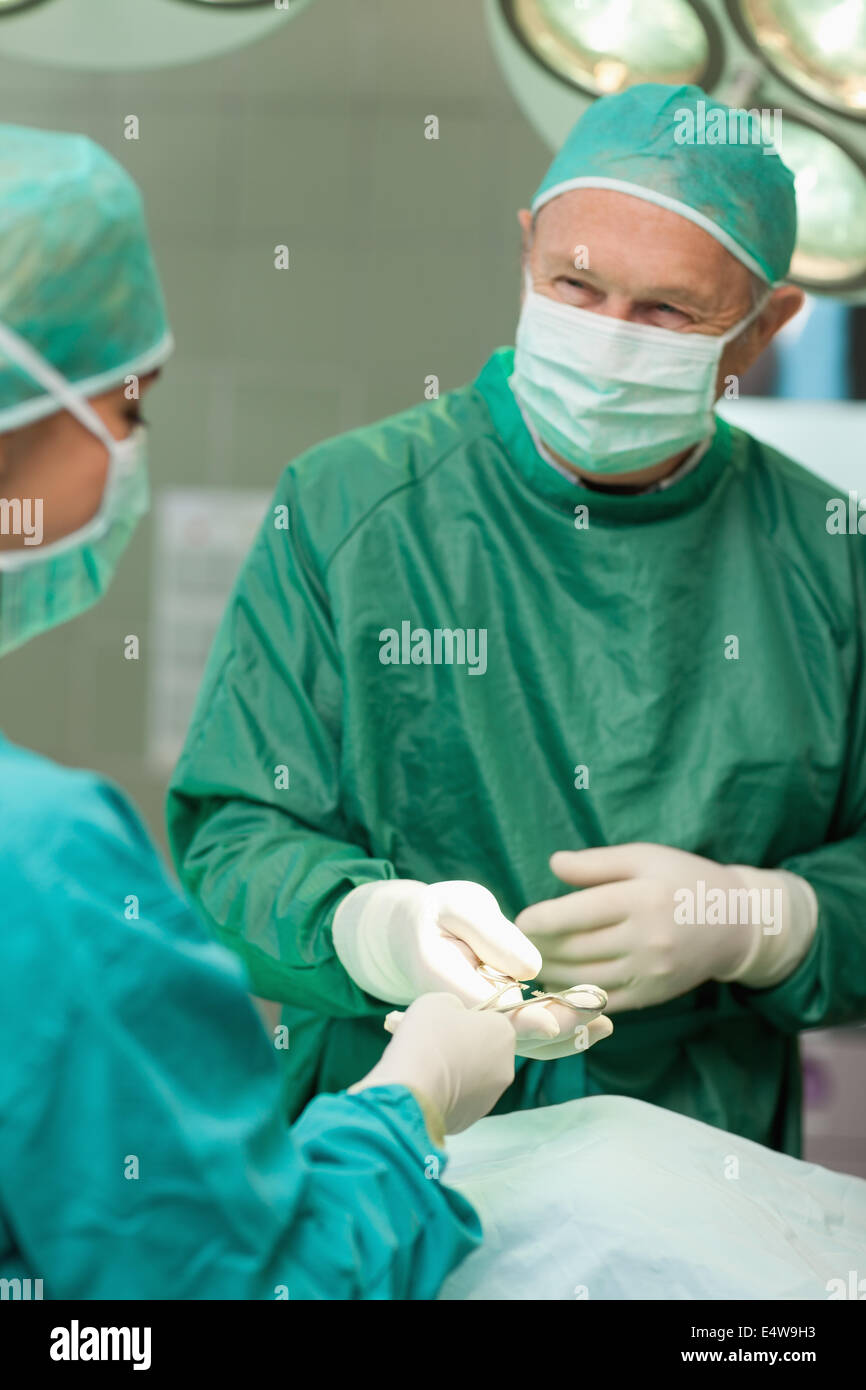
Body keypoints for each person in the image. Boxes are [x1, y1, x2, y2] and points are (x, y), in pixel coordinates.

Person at [168, 82, 866, 1156]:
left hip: (699, 1180)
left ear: (762, 327)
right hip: (389, 1142)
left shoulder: (828, 553)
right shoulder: (352, 509)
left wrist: (765, 920)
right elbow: (235, 839)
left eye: (667, 311)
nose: (606, 340)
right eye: (574, 285)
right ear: (524, 248)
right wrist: (374, 927)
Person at [0, 124, 598, 1301]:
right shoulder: (37, 862)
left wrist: (776, 920)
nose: (131, 454)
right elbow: (232, 1291)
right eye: (128, 408)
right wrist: (406, 1104)